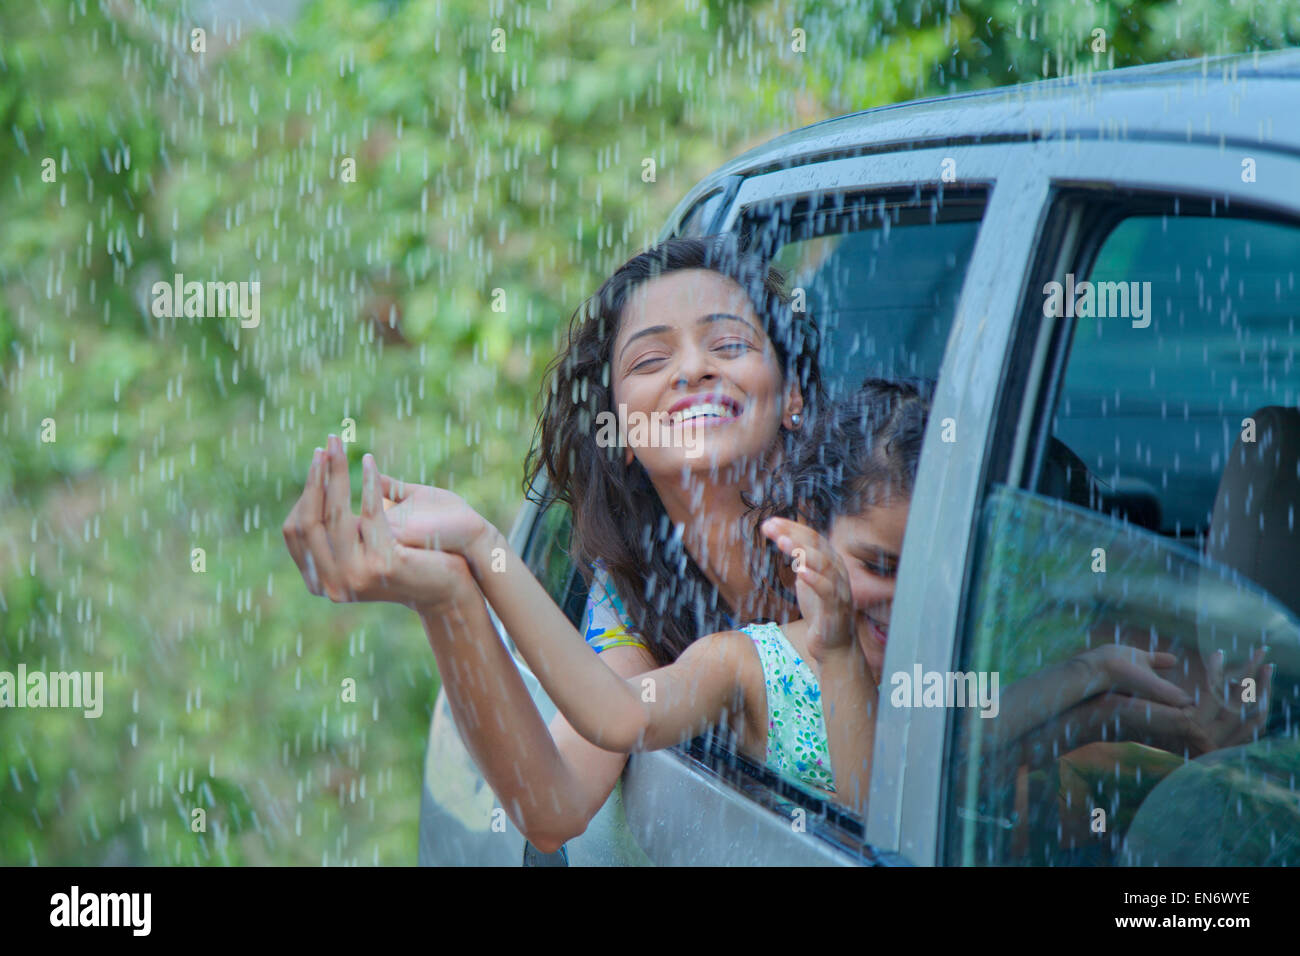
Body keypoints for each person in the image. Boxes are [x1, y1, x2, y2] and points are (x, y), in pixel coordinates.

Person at [283, 235, 824, 852]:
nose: (693, 369)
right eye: (650, 361)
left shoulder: (868, 528)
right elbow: (554, 806)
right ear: (617, 429)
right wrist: (451, 593)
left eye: (728, 344)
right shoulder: (636, 602)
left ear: (793, 397)